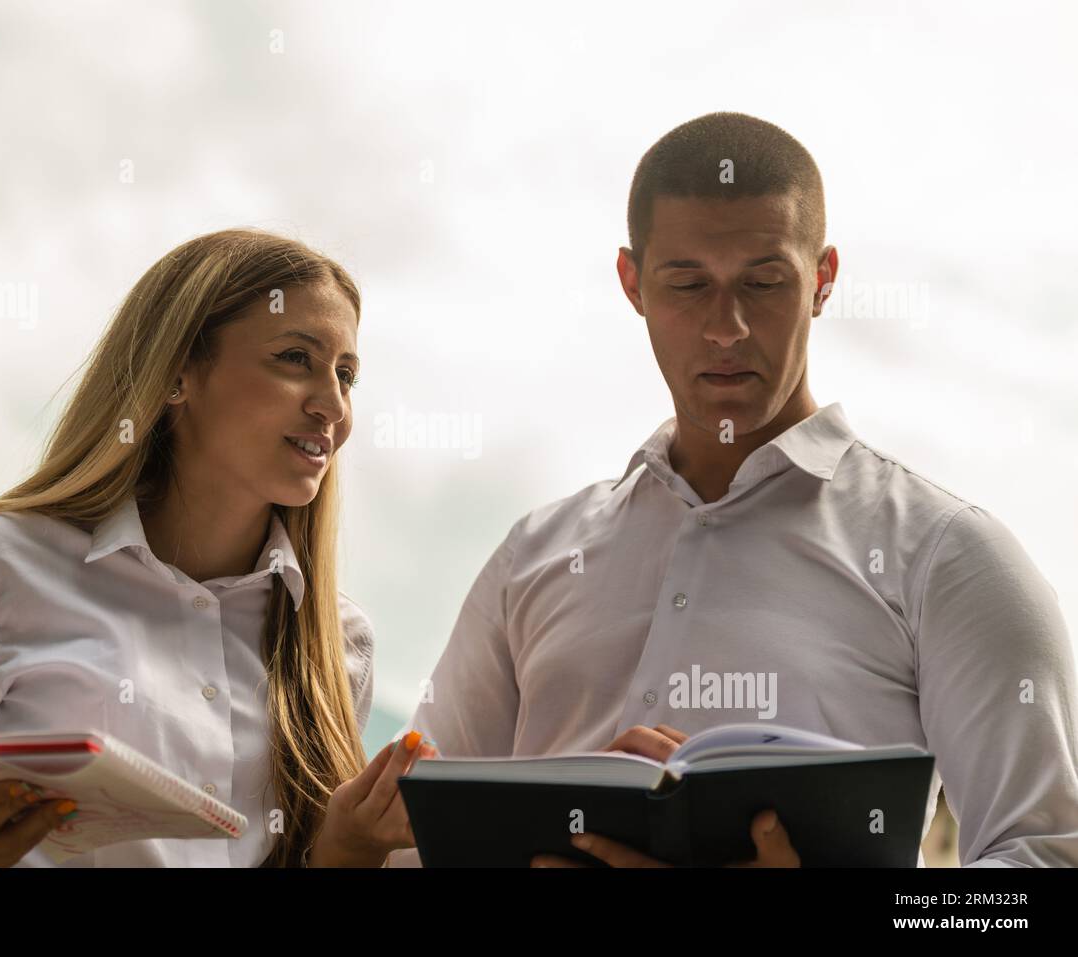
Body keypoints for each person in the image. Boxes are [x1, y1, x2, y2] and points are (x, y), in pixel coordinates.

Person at [392, 112, 1078, 868]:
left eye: (764, 281)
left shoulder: (952, 556)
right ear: (632, 284)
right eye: (688, 283)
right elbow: (415, 843)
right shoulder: (532, 555)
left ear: (822, 280)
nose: (727, 327)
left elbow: (1045, 864)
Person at [0, 228, 433, 868]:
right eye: (294, 358)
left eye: (347, 375)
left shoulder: (337, 641)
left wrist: (348, 851)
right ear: (177, 375)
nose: (332, 406)